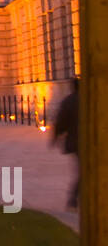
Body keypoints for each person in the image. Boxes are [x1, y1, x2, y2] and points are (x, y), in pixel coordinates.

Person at [53, 78, 79, 211]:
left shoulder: (68, 101)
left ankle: (73, 200)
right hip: (82, 142)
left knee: (81, 172)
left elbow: (60, 122)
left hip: (75, 143)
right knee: (83, 173)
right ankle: (73, 200)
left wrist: (55, 137)